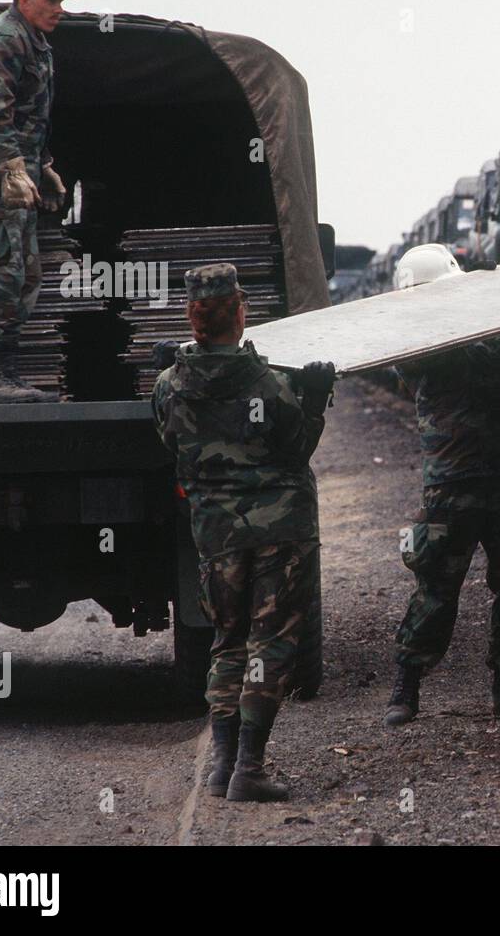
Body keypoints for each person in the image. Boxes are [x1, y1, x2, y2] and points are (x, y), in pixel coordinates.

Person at [152, 263, 335, 802]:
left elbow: (172, 443)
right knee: (272, 642)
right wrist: (317, 399)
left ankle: (221, 764)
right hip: (281, 531)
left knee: (227, 640)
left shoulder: (170, 385)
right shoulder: (269, 382)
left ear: (192, 317)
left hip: (215, 535)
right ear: (240, 313)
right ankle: (249, 768)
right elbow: (298, 447)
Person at [384, 244, 500, 727]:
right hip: (449, 487)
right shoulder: (417, 348)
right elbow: (418, 359)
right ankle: (406, 686)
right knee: (436, 591)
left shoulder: (482, 335)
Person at [0, 0, 75, 403]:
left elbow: (30, 114)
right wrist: (10, 165)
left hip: (18, 176)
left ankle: (4, 374)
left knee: (24, 276)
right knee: (1, 272)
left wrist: (42, 166)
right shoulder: (4, 38)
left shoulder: (35, 43)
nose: (59, 9)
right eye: (53, 0)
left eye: (61, 1)